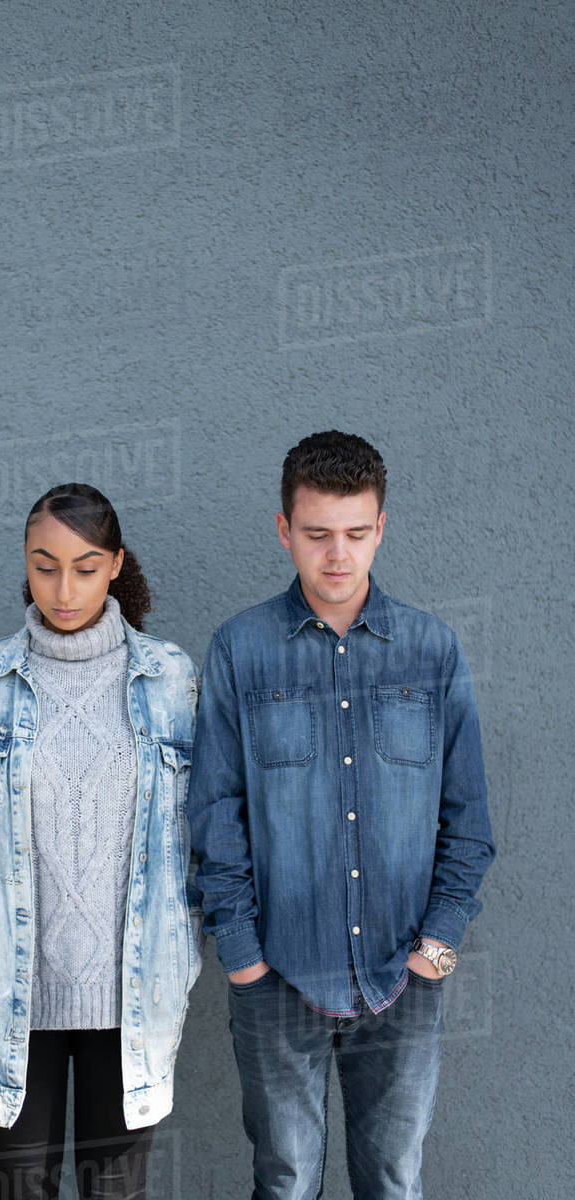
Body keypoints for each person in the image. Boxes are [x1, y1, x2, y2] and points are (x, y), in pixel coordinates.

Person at [187, 431, 496, 1200]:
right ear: (285, 530)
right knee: (285, 1181)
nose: (337, 555)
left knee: (392, 1182)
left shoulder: (431, 651)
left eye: (357, 534)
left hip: (404, 974)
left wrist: (438, 949)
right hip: (276, 975)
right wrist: (242, 955)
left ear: (381, 528)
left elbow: (469, 817)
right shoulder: (240, 650)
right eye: (318, 534)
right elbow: (214, 812)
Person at [0, 483, 204, 1200]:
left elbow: (204, 834)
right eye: (44, 566)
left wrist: (184, 943)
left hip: (133, 996)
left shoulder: (172, 679)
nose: (64, 587)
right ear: (25, 563)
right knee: (20, 1189)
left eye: (84, 567)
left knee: (113, 1191)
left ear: (115, 565)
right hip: (11, 993)